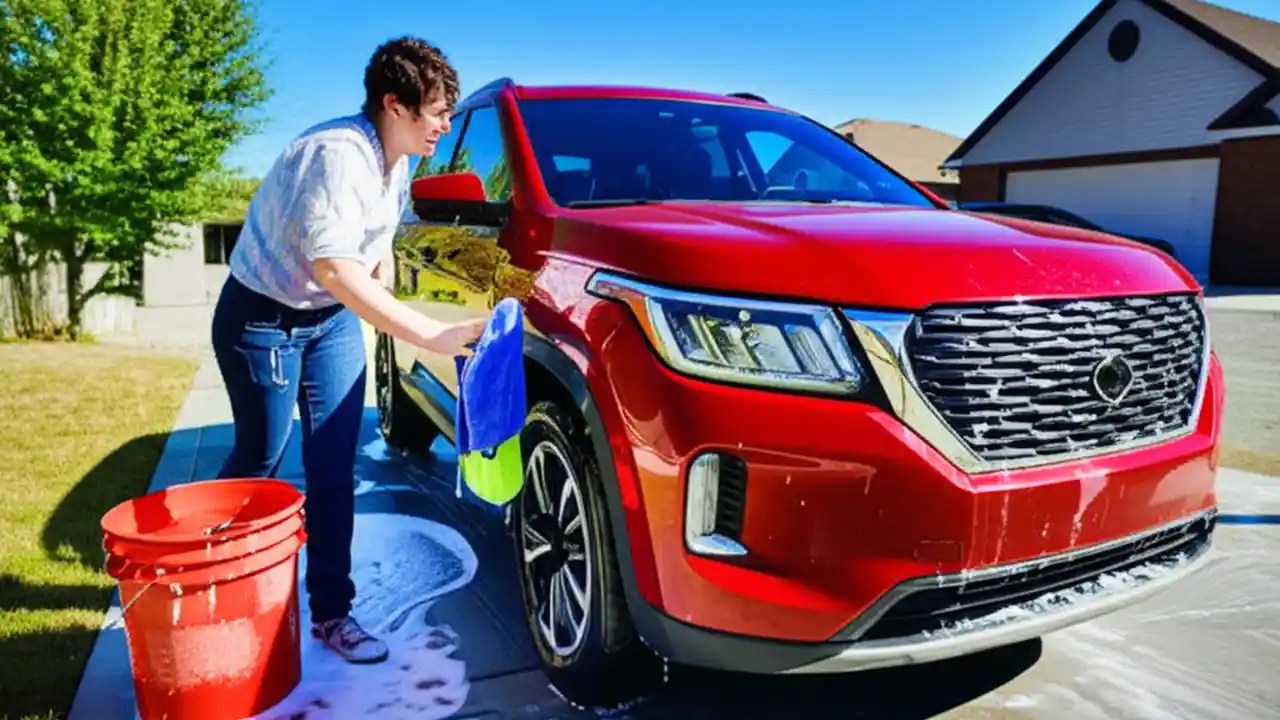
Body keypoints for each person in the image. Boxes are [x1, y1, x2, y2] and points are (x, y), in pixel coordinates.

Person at [210, 36, 487, 664]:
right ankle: (208, 576)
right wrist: (430, 335)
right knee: (261, 459)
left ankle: (332, 614)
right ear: (394, 103)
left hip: (327, 321)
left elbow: (368, 239)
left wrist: (382, 261)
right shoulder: (334, 157)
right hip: (263, 319)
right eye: (438, 111)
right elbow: (334, 268)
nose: (446, 124)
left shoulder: (400, 156)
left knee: (334, 468)